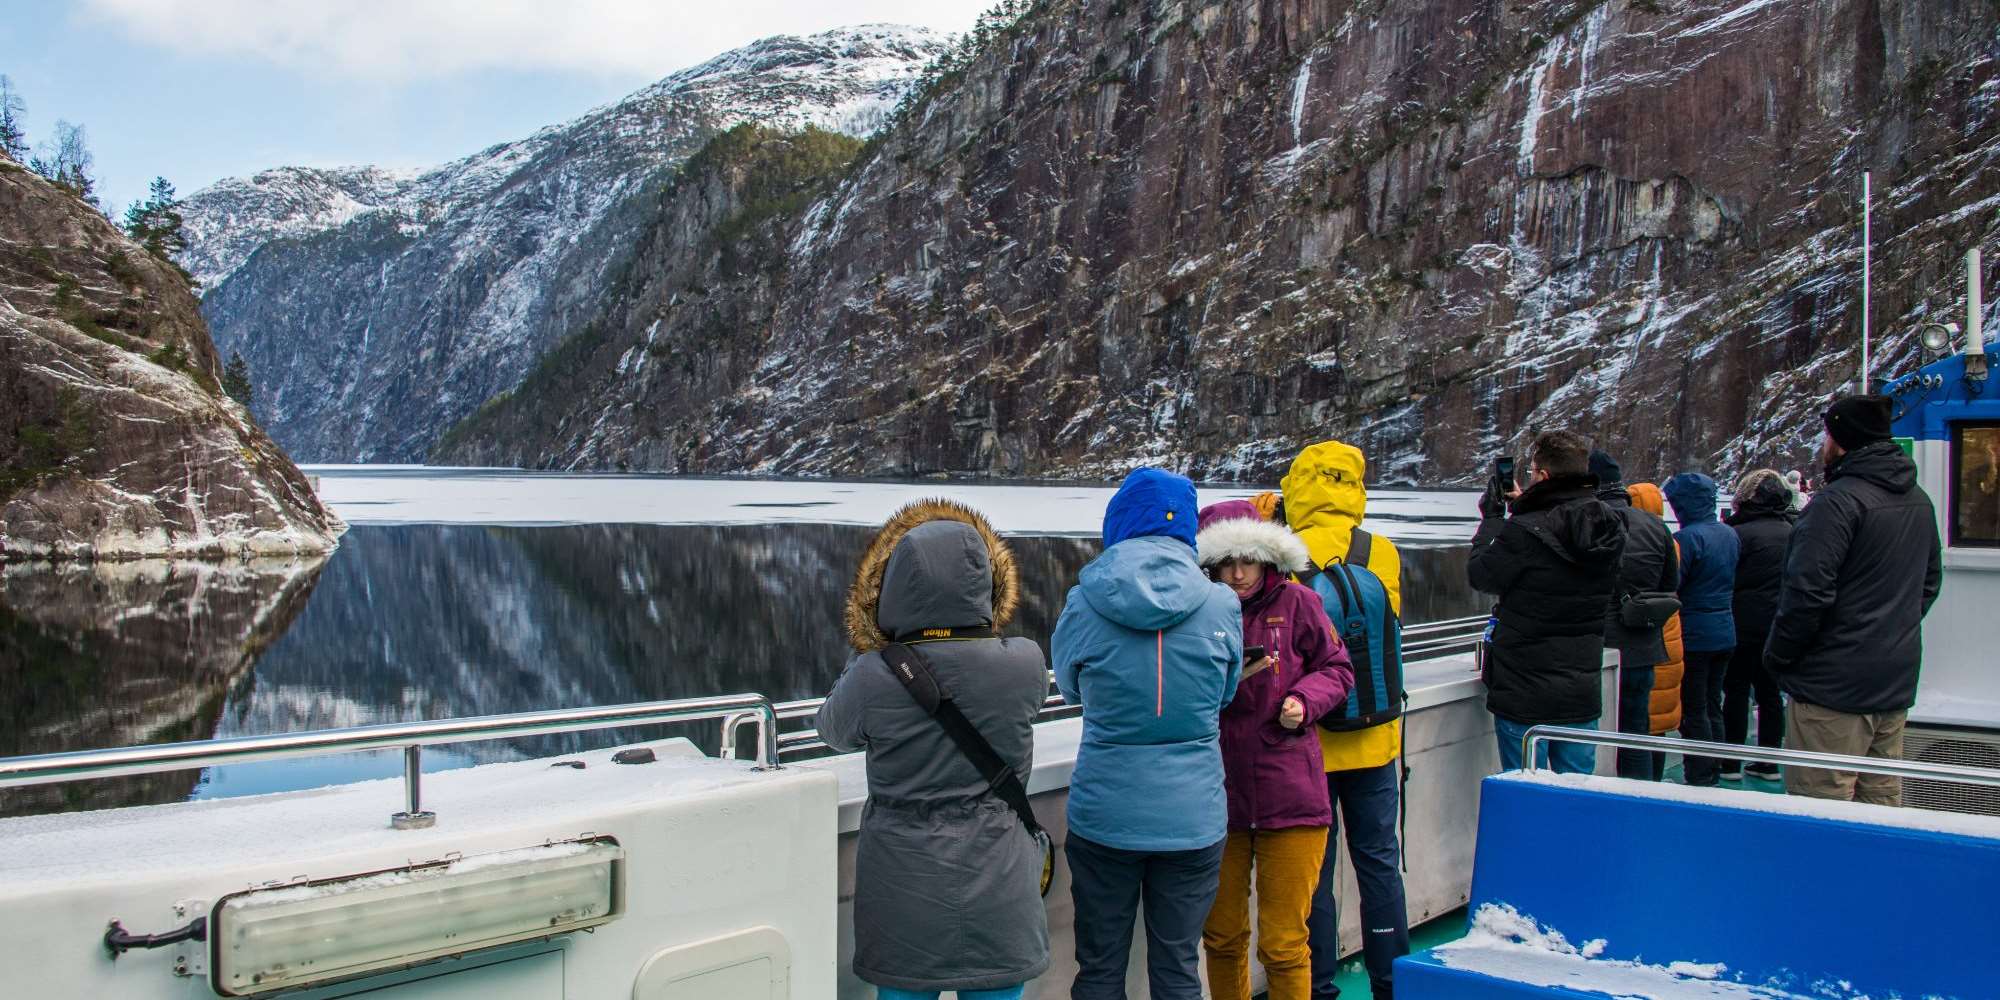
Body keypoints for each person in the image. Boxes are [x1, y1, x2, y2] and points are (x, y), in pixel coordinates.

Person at [816, 500, 1051, 1000]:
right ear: (987, 586)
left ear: (893, 587)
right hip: (1000, 883)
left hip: (904, 891)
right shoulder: (1026, 663)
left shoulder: (873, 675)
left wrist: (872, 644)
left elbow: (832, 730)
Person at [1052, 468, 1244, 1000]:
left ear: (1117, 522)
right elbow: (1225, 693)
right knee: (1178, 967)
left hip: (1106, 814)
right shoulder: (1222, 604)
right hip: (1193, 816)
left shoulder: (1083, 602)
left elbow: (1069, 688)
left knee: (1099, 969)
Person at [1193, 501, 1354, 1000]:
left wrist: (1304, 701)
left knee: (1285, 944)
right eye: (1227, 562)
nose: (1239, 574)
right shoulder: (1194, 610)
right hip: (1219, 795)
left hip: (1291, 794)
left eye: (1249, 559)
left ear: (1267, 557)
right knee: (1221, 938)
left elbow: (1338, 668)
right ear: (1210, 564)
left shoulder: (1299, 603)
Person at [1279, 441, 1413, 1000]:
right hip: (1377, 736)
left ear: (1299, 485)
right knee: (1380, 862)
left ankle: (1321, 985)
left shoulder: (1284, 552)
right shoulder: (1380, 550)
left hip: (1309, 739)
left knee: (1315, 872)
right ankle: (1392, 981)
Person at [1766, 394, 1943, 805]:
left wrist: (1779, 657)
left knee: (1821, 808)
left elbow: (1806, 594)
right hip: (1893, 680)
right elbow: (1929, 583)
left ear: (1842, 439)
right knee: (1879, 807)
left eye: (1827, 434)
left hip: (1833, 688)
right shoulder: (1917, 500)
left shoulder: (1837, 504)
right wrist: (1890, 631)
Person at [1468, 430, 1626, 774]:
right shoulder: (1609, 525)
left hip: (1524, 690)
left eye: (1533, 472)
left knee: (1527, 794)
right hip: (1580, 688)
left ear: (1544, 476)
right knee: (1576, 798)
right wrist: (1526, 504)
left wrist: (1493, 521)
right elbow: (1564, 524)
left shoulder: (1523, 531)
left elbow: (1482, 575)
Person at [1590, 450, 1679, 781]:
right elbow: (1671, 583)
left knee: (1591, 737)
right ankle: (1639, 798)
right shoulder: (1656, 526)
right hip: (1643, 645)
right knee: (1636, 731)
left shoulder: (1587, 522)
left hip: (1597, 648)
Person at [1662, 472, 1739, 787]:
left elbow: (1673, 584)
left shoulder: (1686, 540)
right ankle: (1715, 766)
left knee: (1693, 707)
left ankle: (1699, 772)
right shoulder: (1728, 534)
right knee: (1712, 703)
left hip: (1695, 633)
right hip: (1724, 629)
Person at [1722, 469, 1796, 780]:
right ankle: (1768, 761)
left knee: (1736, 690)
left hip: (1741, 622)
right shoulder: (1794, 531)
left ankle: (1730, 762)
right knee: (1770, 694)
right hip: (1779, 624)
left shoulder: (1738, 534)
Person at [1630, 483, 1685, 782]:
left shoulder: (1632, 540)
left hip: (1645, 641)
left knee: (1640, 722)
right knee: (1659, 721)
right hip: (1670, 638)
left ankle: (1643, 784)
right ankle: (1657, 779)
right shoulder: (1669, 540)